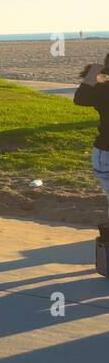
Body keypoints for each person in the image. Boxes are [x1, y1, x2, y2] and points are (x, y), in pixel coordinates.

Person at [74, 54, 109, 232]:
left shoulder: (103, 89)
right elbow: (79, 99)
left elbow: (80, 98)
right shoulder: (104, 89)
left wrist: (95, 72)